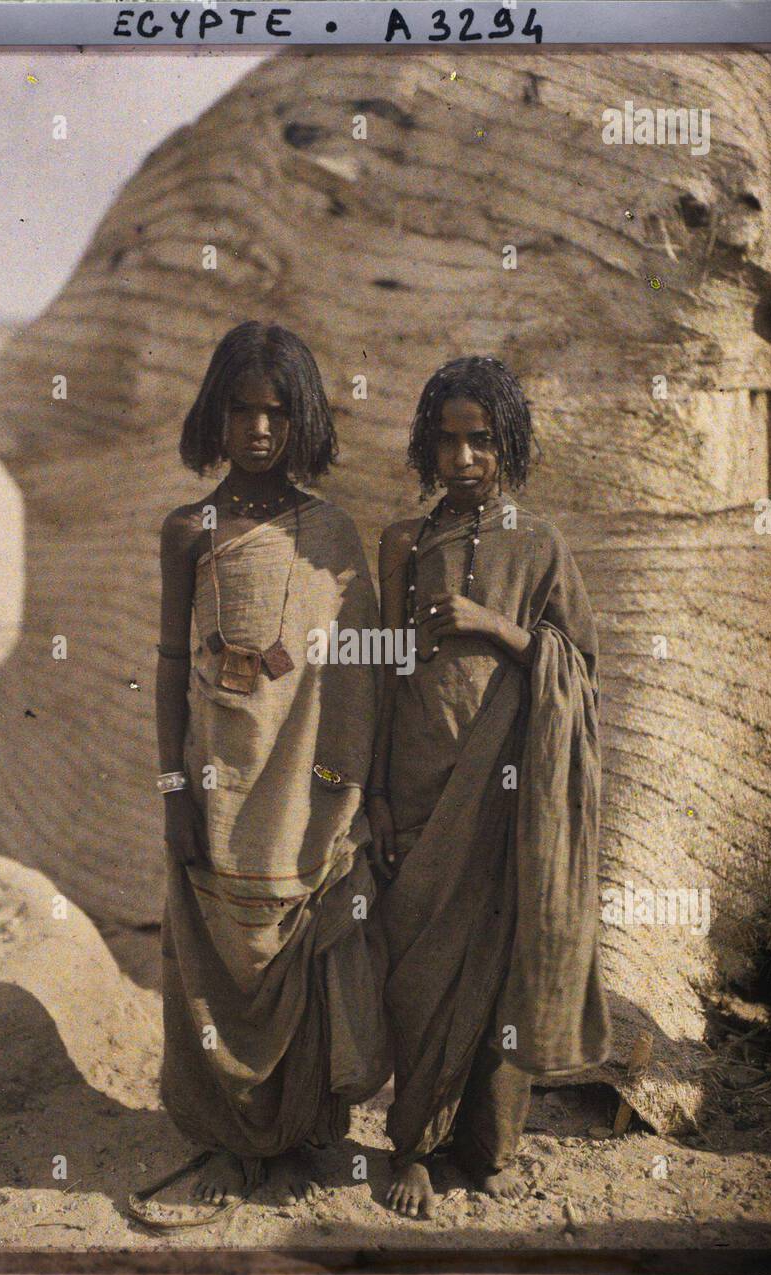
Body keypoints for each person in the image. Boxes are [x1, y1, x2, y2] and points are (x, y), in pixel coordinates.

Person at [368, 356, 610, 1219]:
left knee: (499, 962)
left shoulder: (540, 544)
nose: (463, 457)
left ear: (509, 444)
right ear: (427, 445)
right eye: (448, 440)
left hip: (510, 795)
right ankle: (415, 1148)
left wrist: (494, 626)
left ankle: (488, 1145)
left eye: (481, 440)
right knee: (421, 970)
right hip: (420, 786)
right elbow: (384, 675)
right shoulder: (405, 543)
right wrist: (377, 793)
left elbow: (577, 666)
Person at [154, 321, 389, 1209]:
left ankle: (302, 1137)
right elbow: (176, 669)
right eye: (243, 410)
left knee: (308, 948)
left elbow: (358, 668)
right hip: (217, 782)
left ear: (305, 422)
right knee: (217, 958)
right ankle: (228, 1141)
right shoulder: (188, 530)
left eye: (278, 412)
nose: (259, 429)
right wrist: (176, 790)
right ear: (216, 415)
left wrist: (349, 787)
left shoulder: (330, 534)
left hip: (306, 795)